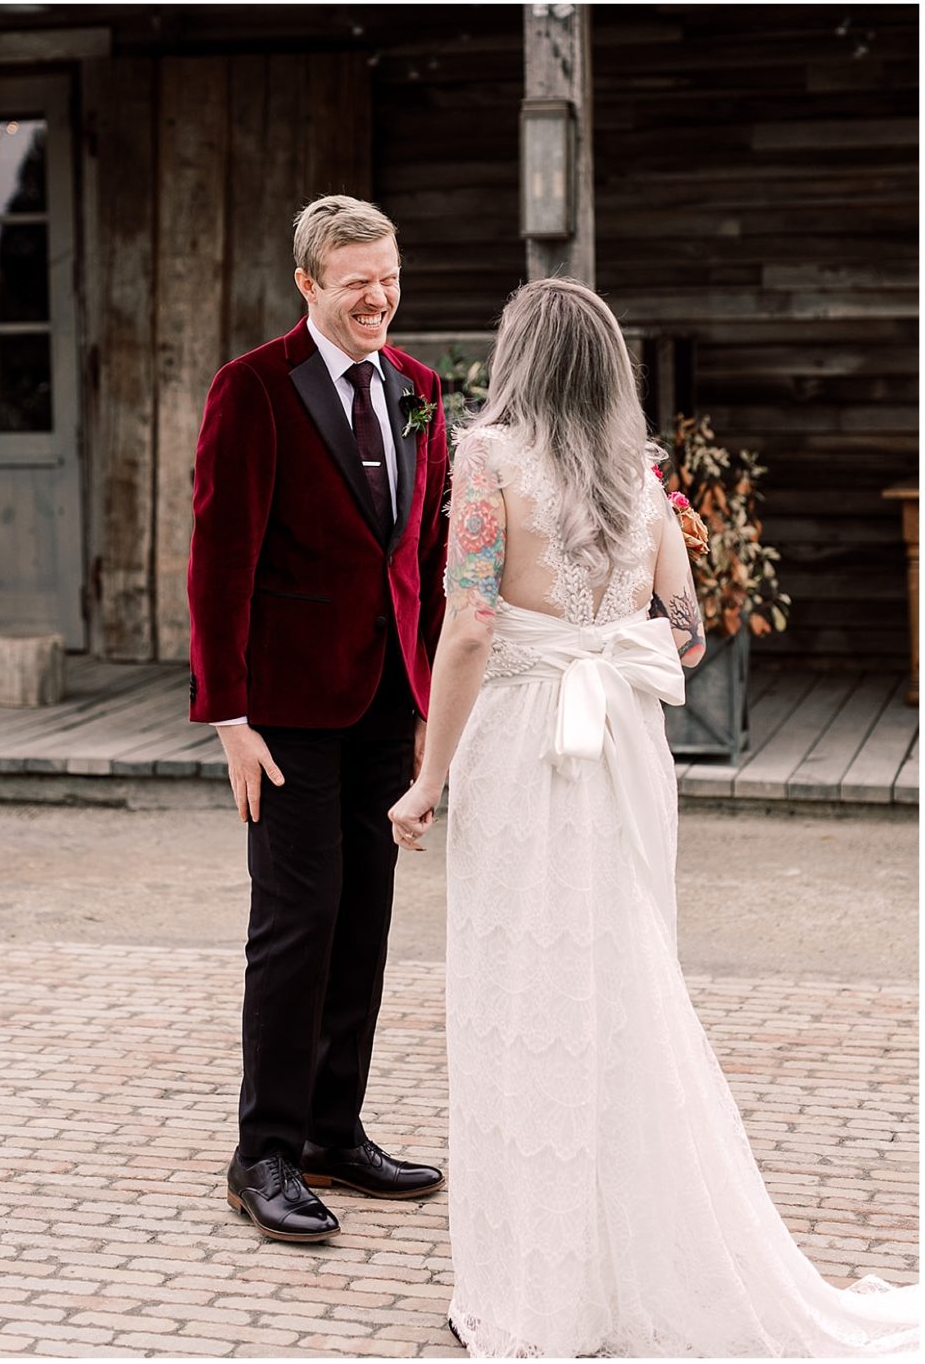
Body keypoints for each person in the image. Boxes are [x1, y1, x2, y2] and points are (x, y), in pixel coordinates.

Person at [388, 277, 921, 1356]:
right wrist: (607, 638)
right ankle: (619, 1264)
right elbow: (683, 627)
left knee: (519, 994)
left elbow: (467, 630)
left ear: (519, 360)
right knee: (618, 979)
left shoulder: (487, 464)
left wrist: (427, 776)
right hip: (623, 744)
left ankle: (540, 1292)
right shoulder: (637, 477)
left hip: (530, 741)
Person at [187, 196, 451, 1242]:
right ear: (307, 286)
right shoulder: (250, 389)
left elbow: (425, 560)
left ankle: (332, 1133)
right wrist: (228, 717)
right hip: (284, 714)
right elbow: (218, 560)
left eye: (385, 276)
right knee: (294, 927)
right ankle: (261, 1152)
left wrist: (430, 699)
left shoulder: (422, 390)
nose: (376, 297)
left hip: (388, 701)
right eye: (354, 283)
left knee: (363, 923)